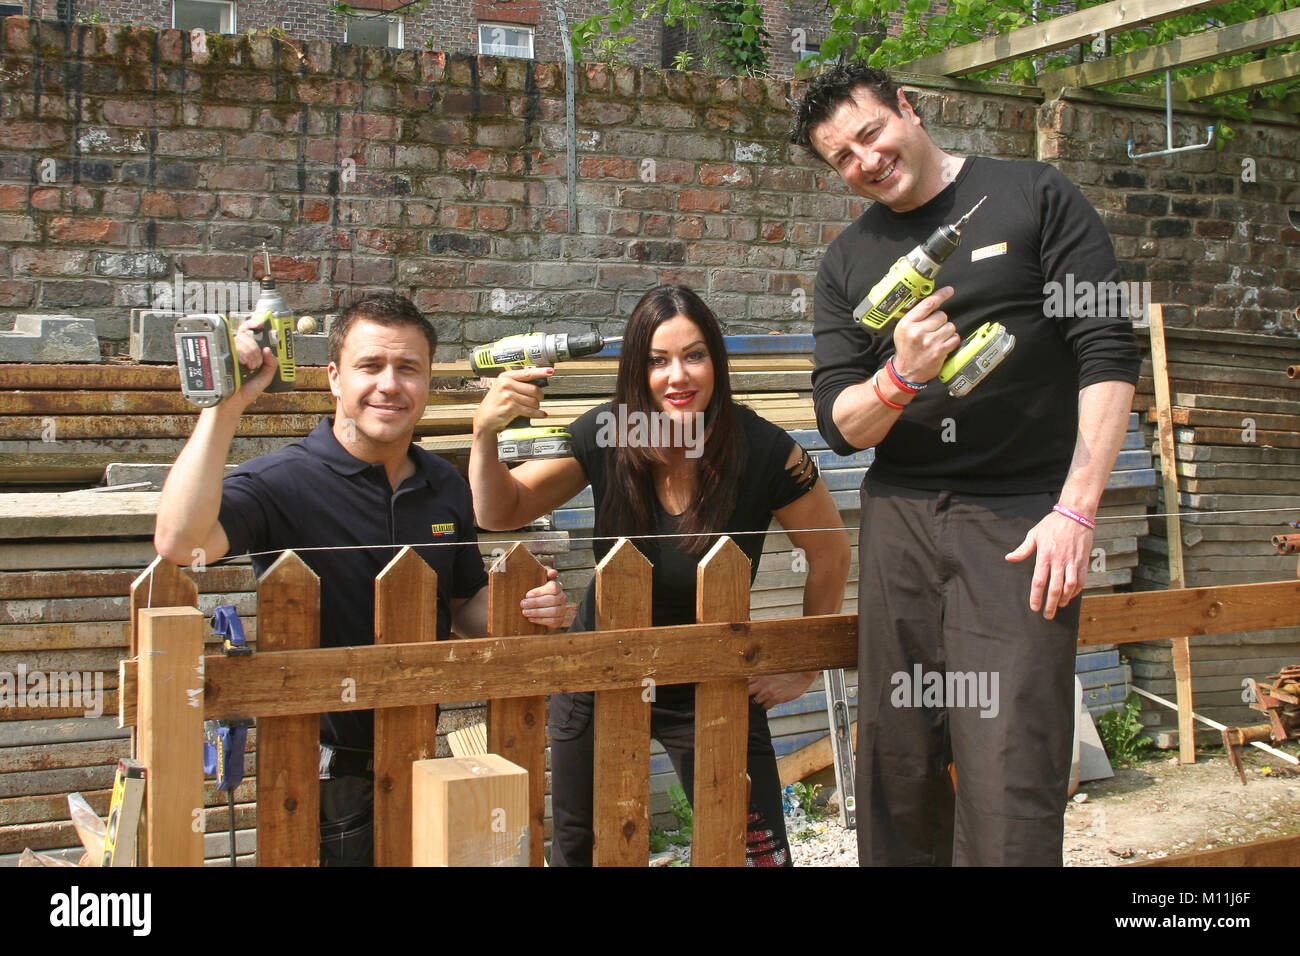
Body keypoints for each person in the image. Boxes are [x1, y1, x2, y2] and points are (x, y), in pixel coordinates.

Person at [790, 65, 1140, 866]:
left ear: (909, 110)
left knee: (1012, 751)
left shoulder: (1035, 195)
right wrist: (900, 377)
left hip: (1022, 518)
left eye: (871, 132)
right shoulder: (847, 264)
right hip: (902, 520)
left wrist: (1077, 509)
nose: (866, 161)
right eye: (842, 157)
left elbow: (1107, 352)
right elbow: (840, 426)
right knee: (898, 757)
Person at [154, 293, 570, 866]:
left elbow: (463, 603)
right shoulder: (283, 482)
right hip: (322, 773)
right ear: (334, 378)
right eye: (370, 366)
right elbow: (180, 543)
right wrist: (224, 406)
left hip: (425, 754)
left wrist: (523, 607)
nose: (390, 385)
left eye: (408, 369)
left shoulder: (444, 487)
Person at [470, 284, 851, 866]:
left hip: (713, 678)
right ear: (635, 370)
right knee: (584, 848)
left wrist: (803, 662)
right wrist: (485, 435)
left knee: (758, 850)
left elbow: (828, 551)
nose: (678, 376)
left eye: (694, 355)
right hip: (601, 671)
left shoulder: (764, 448)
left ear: (715, 362)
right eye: (657, 360)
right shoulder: (609, 433)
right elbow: (501, 511)